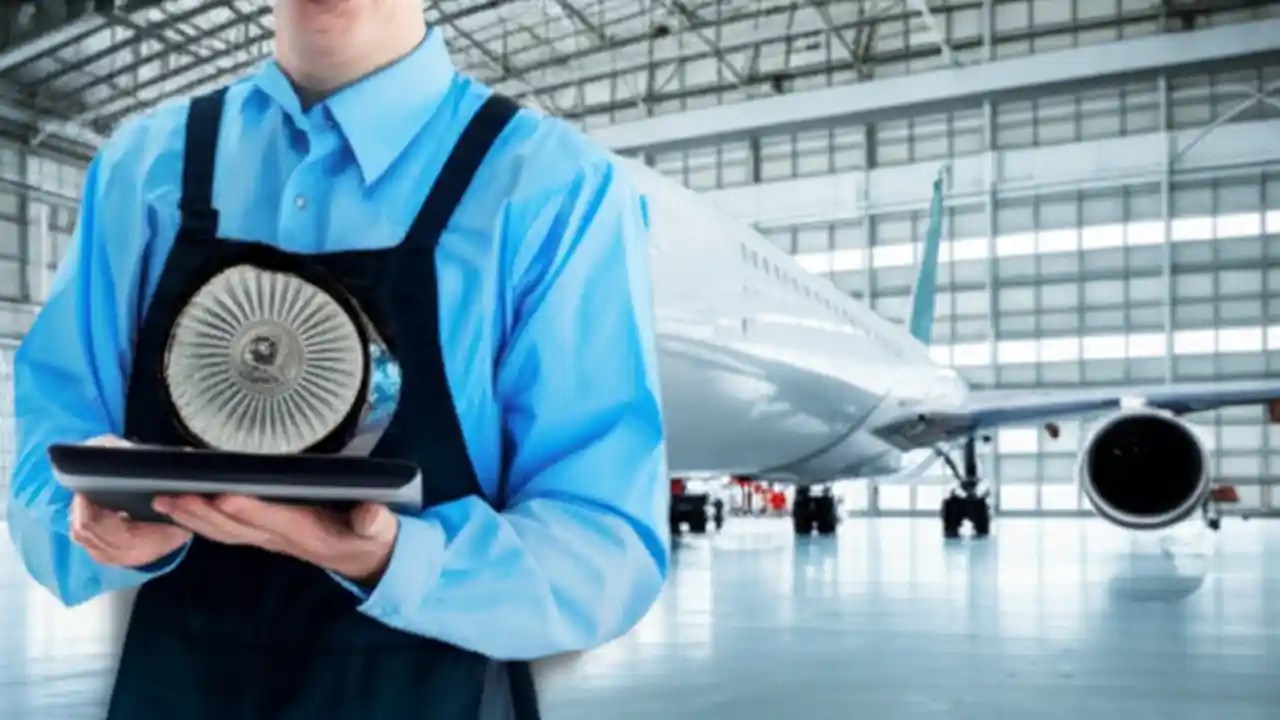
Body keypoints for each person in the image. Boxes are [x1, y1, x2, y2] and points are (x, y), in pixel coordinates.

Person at [6, 1, 669, 718]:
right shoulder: (142, 171)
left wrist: (390, 559)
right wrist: (95, 526)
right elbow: (50, 453)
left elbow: (605, 548)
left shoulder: (552, 189)